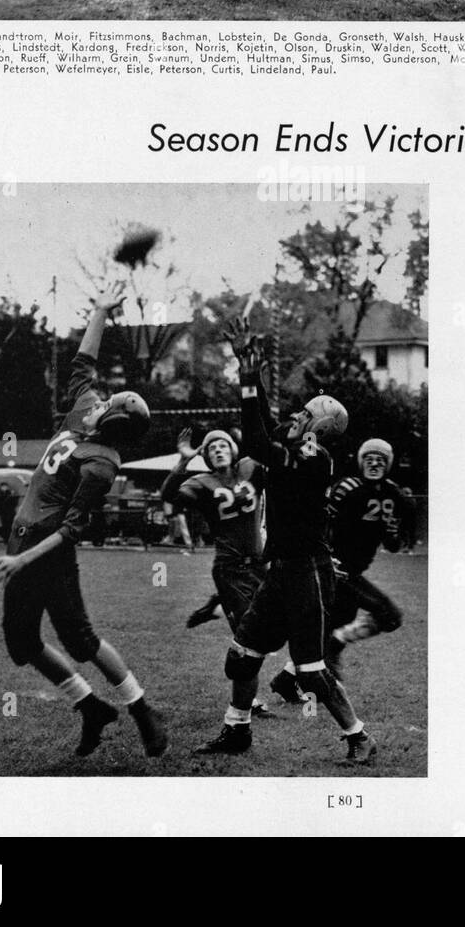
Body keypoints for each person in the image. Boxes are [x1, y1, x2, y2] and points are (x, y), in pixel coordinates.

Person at [0, 285, 167, 760]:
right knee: (21, 643)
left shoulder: (101, 463)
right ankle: (90, 707)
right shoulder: (87, 411)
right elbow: (83, 362)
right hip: (23, 538)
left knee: (80, 640)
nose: (102, 405)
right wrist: (101, 312)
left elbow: (69, 531)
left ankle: (141, 707)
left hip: (45, 550)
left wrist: (21, 559)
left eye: (111, 409)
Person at [194, 320, 375, 763]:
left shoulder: (315, 457)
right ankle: (236, 731)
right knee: (241, 656)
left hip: (307, 573)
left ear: (318, 429)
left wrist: (246, 384)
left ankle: (359, 736)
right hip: (280, 571)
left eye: (306, 414)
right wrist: (249, 371)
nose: (297, 415)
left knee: (311, 672)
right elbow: (268, 430)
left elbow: (257, 438)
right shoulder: (299, 448)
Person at [162, 427, 269, 727]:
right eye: (211, 448)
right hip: (231, 569)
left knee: (273, 626)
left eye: (223, 444)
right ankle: (246, 704)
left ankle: (214, 607)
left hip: (261, 564)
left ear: (234, 449)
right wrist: (182, 462)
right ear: (206, 456)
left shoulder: (250, 467)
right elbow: (168, 496)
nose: (218, 449)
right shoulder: (202, 481)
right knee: (250, 638)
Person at [325, 440, 414, 674]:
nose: (374, 463)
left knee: (335, 628)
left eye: (381, 460)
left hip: (354, 570)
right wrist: (327, 557)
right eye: (369, 458)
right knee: (390, 615)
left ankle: (288, 680)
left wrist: (394, 533)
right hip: (338, 570)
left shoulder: (392, 492)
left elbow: (392, 546)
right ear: (361, 461)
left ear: (388, 465)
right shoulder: (347, 488)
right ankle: (329, 658)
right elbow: (322, 524)